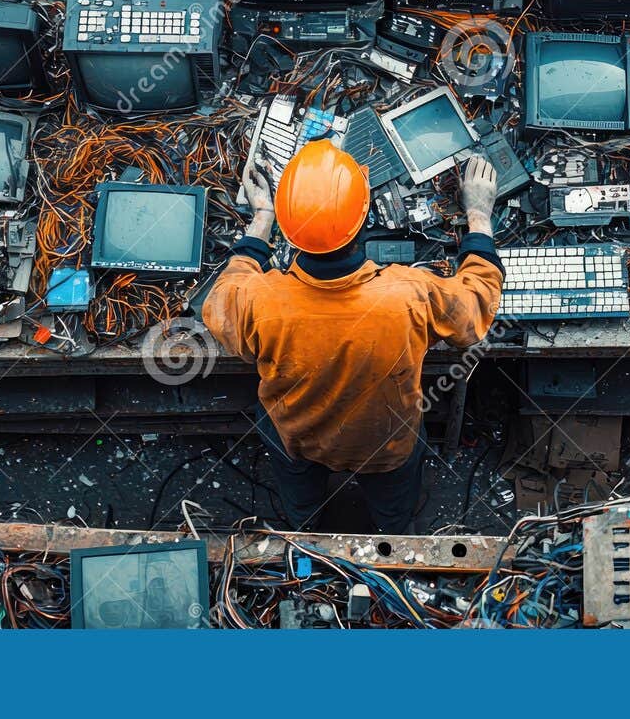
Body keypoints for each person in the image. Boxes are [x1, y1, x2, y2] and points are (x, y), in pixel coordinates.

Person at [202, 139, 502, 533]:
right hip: (383, 444)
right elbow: (475, 311)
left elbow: (221, 299)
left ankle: (305, 539)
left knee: (300, 503)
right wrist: (478, 214)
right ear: (363, 222)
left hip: (296, 437)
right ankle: (393, 544)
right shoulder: (410, 294)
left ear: (291, 234)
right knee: (394, 511)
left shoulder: (260, 298)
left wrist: (261, 218)